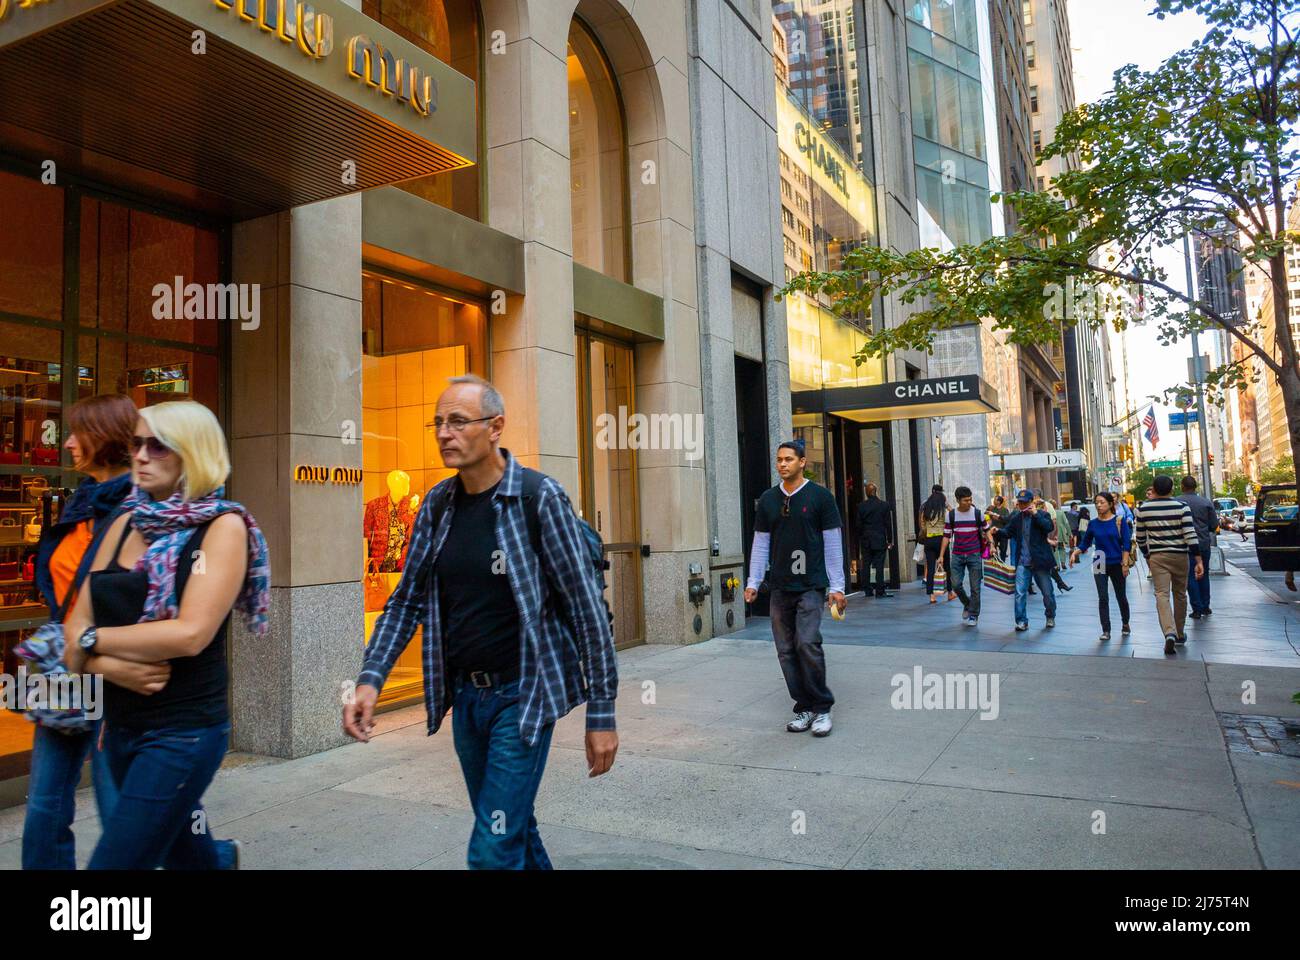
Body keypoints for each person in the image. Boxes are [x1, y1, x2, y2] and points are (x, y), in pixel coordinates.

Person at [344, 375, 619, 869]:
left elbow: (586, 609)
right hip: (466, 701)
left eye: (457, 421)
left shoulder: (538, 499)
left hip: (524, 697)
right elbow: (406, 601)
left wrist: (602, 714)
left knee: (491, 851)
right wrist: (371, 678)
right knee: (511, 826)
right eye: (438, 422)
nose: (444, 433)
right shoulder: (437, 505)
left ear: (496, 427)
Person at [64, 400, 270, 869]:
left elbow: (191, 634)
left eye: (157, 446)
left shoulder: (223, 526)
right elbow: (72, 628)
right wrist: (108, 662)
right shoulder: (121, 523)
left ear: (191, 454)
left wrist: (94, 643)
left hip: (183, 732)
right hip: (118, 728)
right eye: (136, 443)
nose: (139, 455)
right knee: (186, 854)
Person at [21, 395, 137, 870]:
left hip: (112, 670)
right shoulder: (81, 502)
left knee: (120, 810)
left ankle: (205, 857)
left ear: (104, 437)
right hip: (63, 666)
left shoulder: (137, 507)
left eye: (77, 433)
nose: (67, 442)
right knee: (44, 806)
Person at [744, 440, 845, 737]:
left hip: (811, 585)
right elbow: (760, 543)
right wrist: (753, 582)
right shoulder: (768, 500)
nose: (782, 464)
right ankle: (804, 706)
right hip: (779, 586)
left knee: (808, 642)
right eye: (779, 460)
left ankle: (822, 707)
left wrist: (836, 586)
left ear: (802, 462)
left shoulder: (821, 498)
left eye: (789, 459)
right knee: (786, 650)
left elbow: (833, 544)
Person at [1134, 474, 1202, 655]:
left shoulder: (1143, 509)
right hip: (1180, 556)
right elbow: (1190, 535)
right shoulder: (1182, 507)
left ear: (1154, 490)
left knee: (1161, 594)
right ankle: (1179, 633)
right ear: (1172, 489)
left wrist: (1147, 555)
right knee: (1180, 594)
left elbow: (1140, 538)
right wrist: (1198, 560)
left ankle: (1169, 632)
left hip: (1157, 557)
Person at [1071, 492, 1132, 641]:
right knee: (1102, 597)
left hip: (1117, 561)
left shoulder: (1119, 521)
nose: (1098, 505)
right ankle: (1106, 630)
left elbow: (1126, 543)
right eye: (1096, 502)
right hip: (1099, 560)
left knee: (1121, 596)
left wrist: (1125, 564)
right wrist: (1075, 552)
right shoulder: (1093, 523)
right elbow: (1085, 543)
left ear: (1110, 504)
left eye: (1102, 502)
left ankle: (1125, 623)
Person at [1003, 490, 1057, 631]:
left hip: (1040, 561)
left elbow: (1049, 527)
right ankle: (1021, 621)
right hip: (1023, 561)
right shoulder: (1016, 518)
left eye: (1025, 502)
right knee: (1020, 592)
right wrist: (996, 531)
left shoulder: (1042, 514)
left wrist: (1036, 514)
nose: (1022, 505)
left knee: (1047, 592)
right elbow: (1007, 532)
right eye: (1020, 502)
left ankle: (1050, 615)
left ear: (1032, 501)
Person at [941, 485, 991, 627]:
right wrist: (941, 556)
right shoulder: (951, 515)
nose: (969, 502)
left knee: (975, 587)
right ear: (957, 500)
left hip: (974, 554)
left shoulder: (977, 513)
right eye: (965, 500)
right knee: (956, 584)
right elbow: (946, 536)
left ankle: (973, 615)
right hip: (957, 555)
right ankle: (968, 604)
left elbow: (987, 530)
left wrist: (992, 543)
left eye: (970, 500)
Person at [1178, 475, 1218, 619]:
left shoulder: (1177, 502)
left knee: (1190, 577)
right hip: (1203, 543)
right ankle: (1206, 605)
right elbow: (1214, 525)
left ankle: (1197, 608)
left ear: (1182, 486)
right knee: (1204, 574)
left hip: (1185, 545)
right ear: (1196, 486)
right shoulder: (1206, 502)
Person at [855, 481, 894, 598]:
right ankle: (880, 590)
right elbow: (888, 524)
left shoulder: (861, 506)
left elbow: (858, 525)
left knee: (866, 565)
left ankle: (867, 590)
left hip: (866, 540)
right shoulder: (884, 505)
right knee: (879, 565)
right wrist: (890, 539)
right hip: (880, 539)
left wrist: (861, 537)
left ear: (867, 493)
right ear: (875, 492)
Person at [919, 485, 953, 604]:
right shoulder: (942, 506)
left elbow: (922, 524)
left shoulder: (926, 506)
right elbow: (953, 513)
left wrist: (927, 531)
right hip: (941, 540)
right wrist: (947, 504)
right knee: (947, 566)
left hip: (929, 540)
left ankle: (932, 596)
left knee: (931, 568)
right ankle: (950, 593)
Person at [987, 495, 1010, 561]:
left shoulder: (1005, 510)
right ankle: (996, 562)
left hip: (1002, 532)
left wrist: (997, 518)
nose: (994, 501)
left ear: (999, 502)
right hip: (994, 532)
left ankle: (1002, 563)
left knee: (1003, 549)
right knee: (993, 547)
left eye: (995, 499)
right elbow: (985, 513)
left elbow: (1006, 520)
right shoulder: (992, 508)